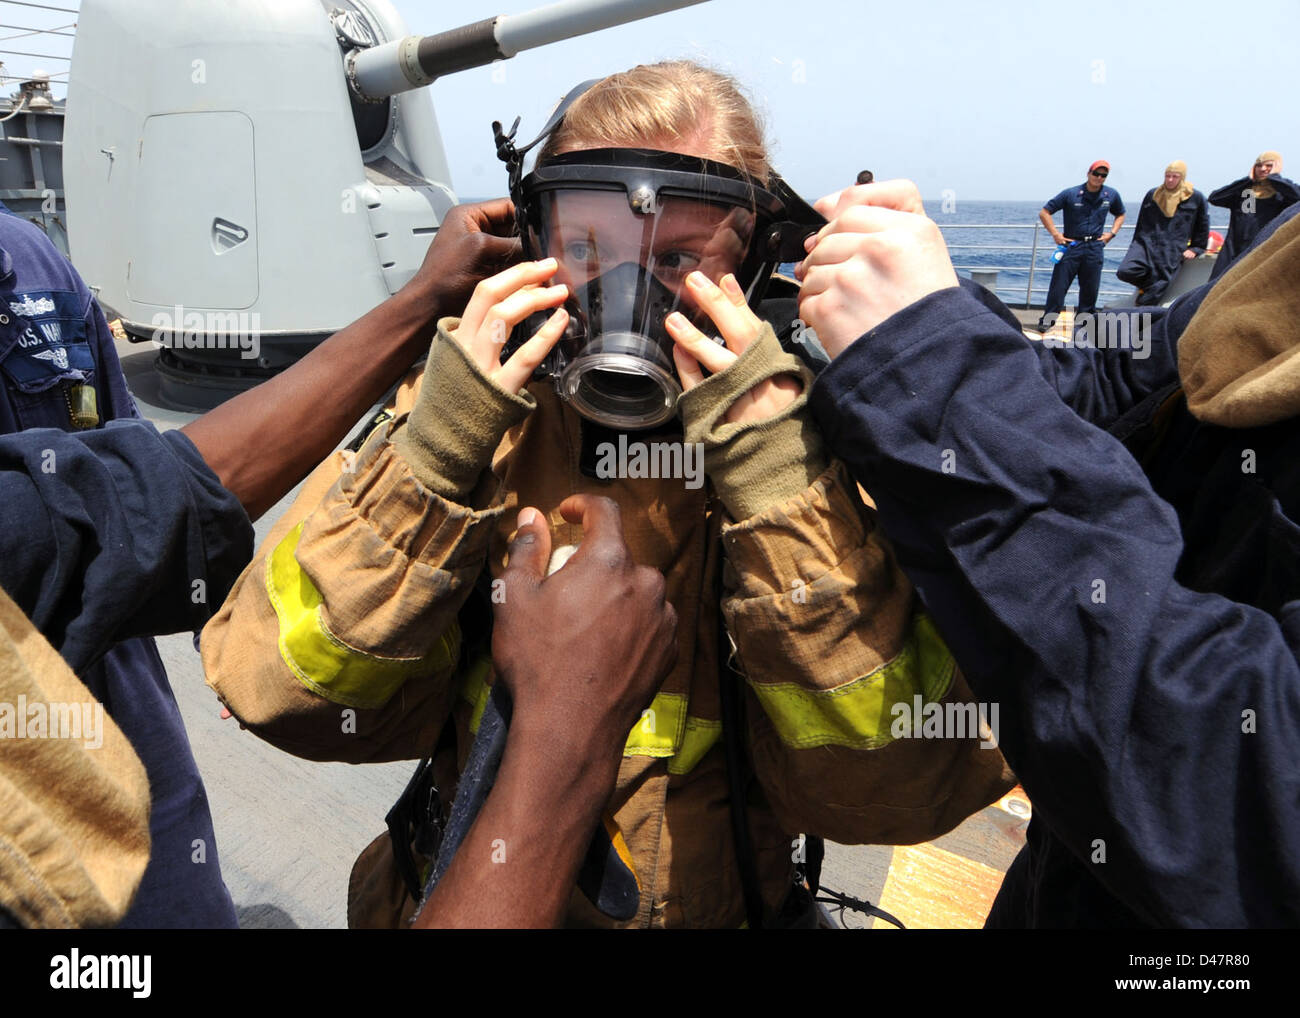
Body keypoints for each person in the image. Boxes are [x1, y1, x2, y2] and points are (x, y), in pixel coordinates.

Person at [201, 61, 1013, 930]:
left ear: (755, 255)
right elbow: (282, 695)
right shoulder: (472, 417)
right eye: (586, 251)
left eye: (676, 259)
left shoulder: (810, 448)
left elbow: (890, 795)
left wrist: (778, 477)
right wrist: (437, 453)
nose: (622, 297)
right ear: (535, 241)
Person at [795, 176, 1300, 927]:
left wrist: (934, 373)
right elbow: (1130, 382)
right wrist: (932, 305)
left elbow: (1255, 795)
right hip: (1067, 875)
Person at [0, 201, 518, 927]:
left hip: (127, 733)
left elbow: (128, 459)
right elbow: (133, 505)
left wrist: (225, 623)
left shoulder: (33, 268)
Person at [1036, 160, 1126, 331]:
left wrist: (1112, 233)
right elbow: (1044, 212)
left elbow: (1121, 213)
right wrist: (1056, 234)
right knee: (1059, 286)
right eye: (1096, 174)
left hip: (1094, 247)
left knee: (1090, 288)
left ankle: (1085, 323)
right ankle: (1048, 319)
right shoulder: (1071, 194)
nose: (1099, 178)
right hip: (1072, 245)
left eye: (1103, 175)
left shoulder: (1111, 195)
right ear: (1088, 173)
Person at [1116, 160, 1208, 305]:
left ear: (1182, 177)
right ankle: (1147, 288)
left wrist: (1196, 248)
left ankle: (1143, 319)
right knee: (1125, 271)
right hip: (1146, 243)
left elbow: (1202, 226)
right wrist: (1136, 245)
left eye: (1175, 176)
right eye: (1167, 176)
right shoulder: (1153, 194)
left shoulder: (1196, 197)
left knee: (1157, 287)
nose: (1170, 180)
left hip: (1172, 248)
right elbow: (1141, 223)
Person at [1207, 150, 1300, 280]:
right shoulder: (1247, 192)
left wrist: (1274, 177)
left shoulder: (1282, 193)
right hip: (1234, 250)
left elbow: (1297, 198)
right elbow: (1215, 198)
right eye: (1259, 165)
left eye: (1268, 166)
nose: (1263, 169)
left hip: (1263, 251)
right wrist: (1247, 180)